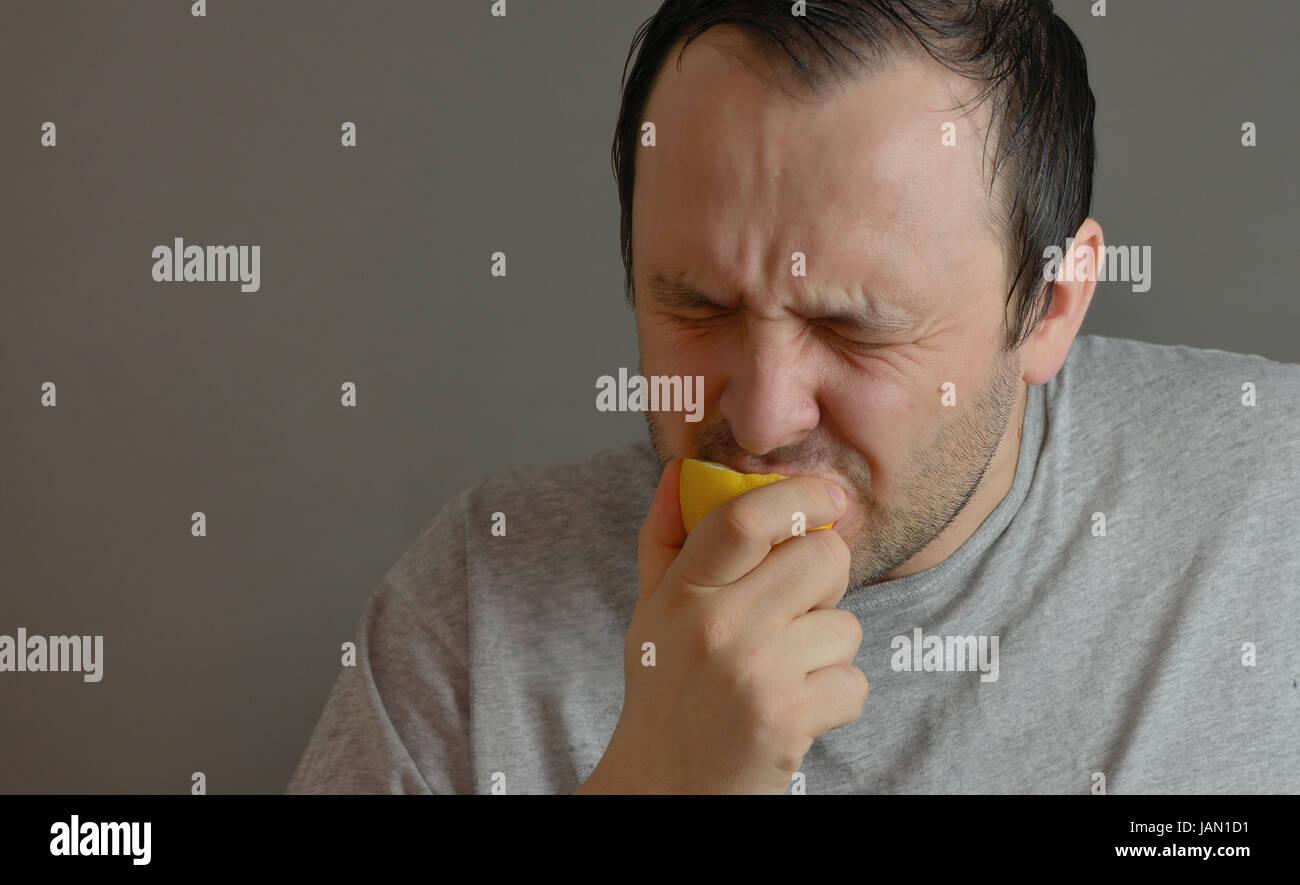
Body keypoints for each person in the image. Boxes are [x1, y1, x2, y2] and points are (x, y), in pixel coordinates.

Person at [286, 0, 1300, 794]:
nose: (763, 418)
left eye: (854, 327)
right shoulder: (475, 608)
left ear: (1050, 307)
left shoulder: (1274, 504)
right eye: (695, 305)